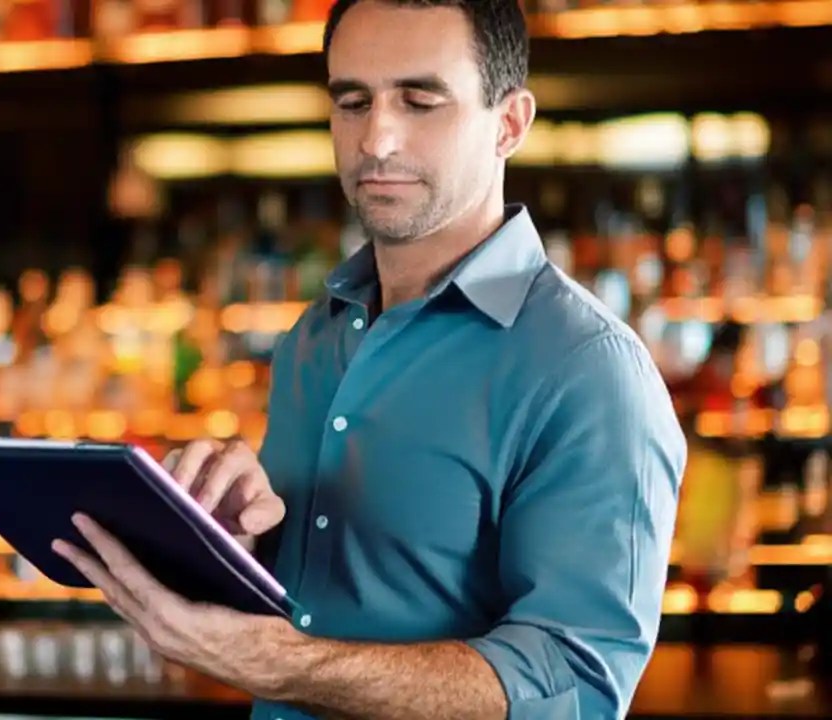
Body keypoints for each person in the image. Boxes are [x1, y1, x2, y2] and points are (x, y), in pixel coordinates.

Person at [52, 0, 686, 717]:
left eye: (420, 101)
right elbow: (319, 597)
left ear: (509, 123)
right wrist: (231, 542)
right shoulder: (313, 338)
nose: (376, 138)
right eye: (353, 101)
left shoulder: (588, 369)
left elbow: (579, 686)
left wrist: (283, 664)